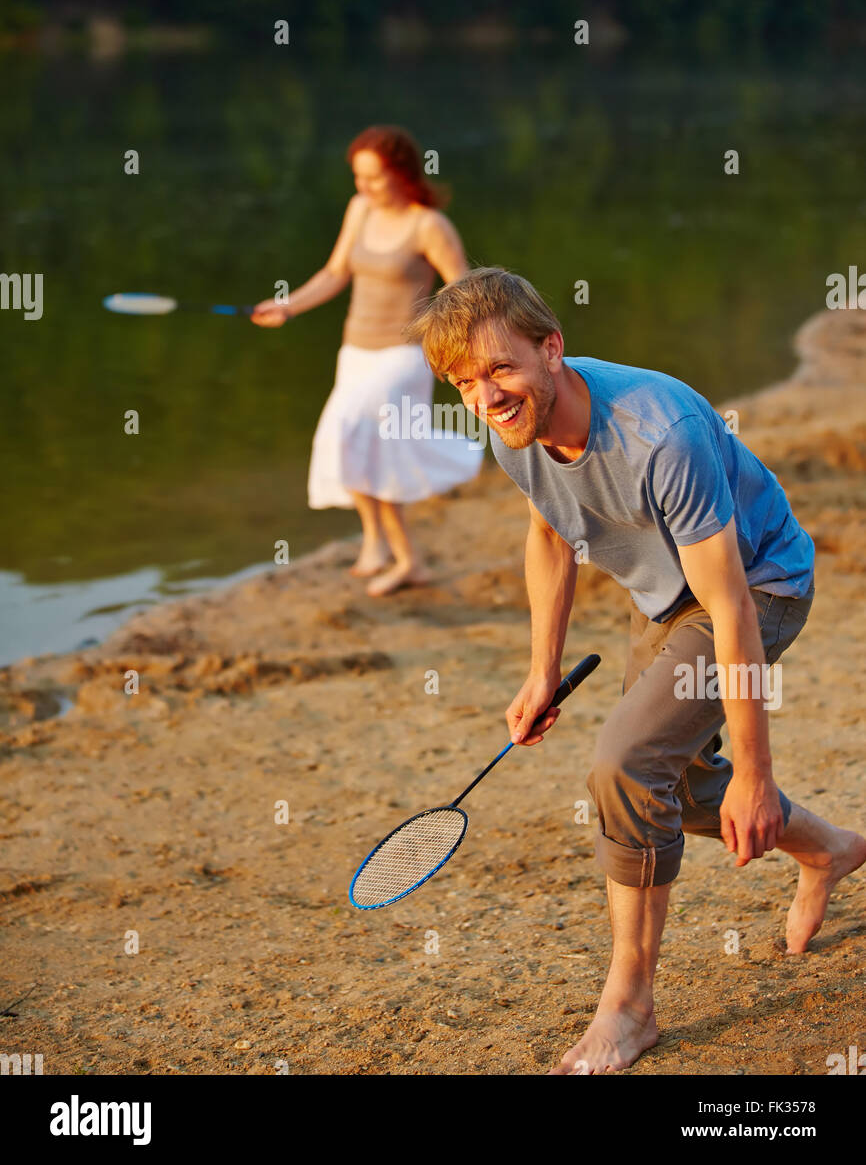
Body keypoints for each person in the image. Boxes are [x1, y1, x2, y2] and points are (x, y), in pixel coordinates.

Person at [404, 265, 866, 1074]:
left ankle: (629, 1007)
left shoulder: (662, 433)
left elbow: (730, 612)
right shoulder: (508, 426)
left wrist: (757, 774)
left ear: (553, 348)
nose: (486, 396)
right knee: (670, 787)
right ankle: (828, 847)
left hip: (755, 587)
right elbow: (552, 534)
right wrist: (541, 669)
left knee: (623, 768)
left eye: (502, 368)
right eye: (465, 382)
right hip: (663, 591)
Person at [251, 126, 482, 596]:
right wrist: (287, 306)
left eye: (374, 178)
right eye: (358, 177)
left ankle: (407, 558)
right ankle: (376, 541)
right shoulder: (359, 209)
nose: (364, 187)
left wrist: (456, 353)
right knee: (346, 443)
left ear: (401, 172)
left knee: (368, 444)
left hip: (402, 356)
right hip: (354, 350)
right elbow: (336, 272)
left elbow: (463, 292)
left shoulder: (428, 225)